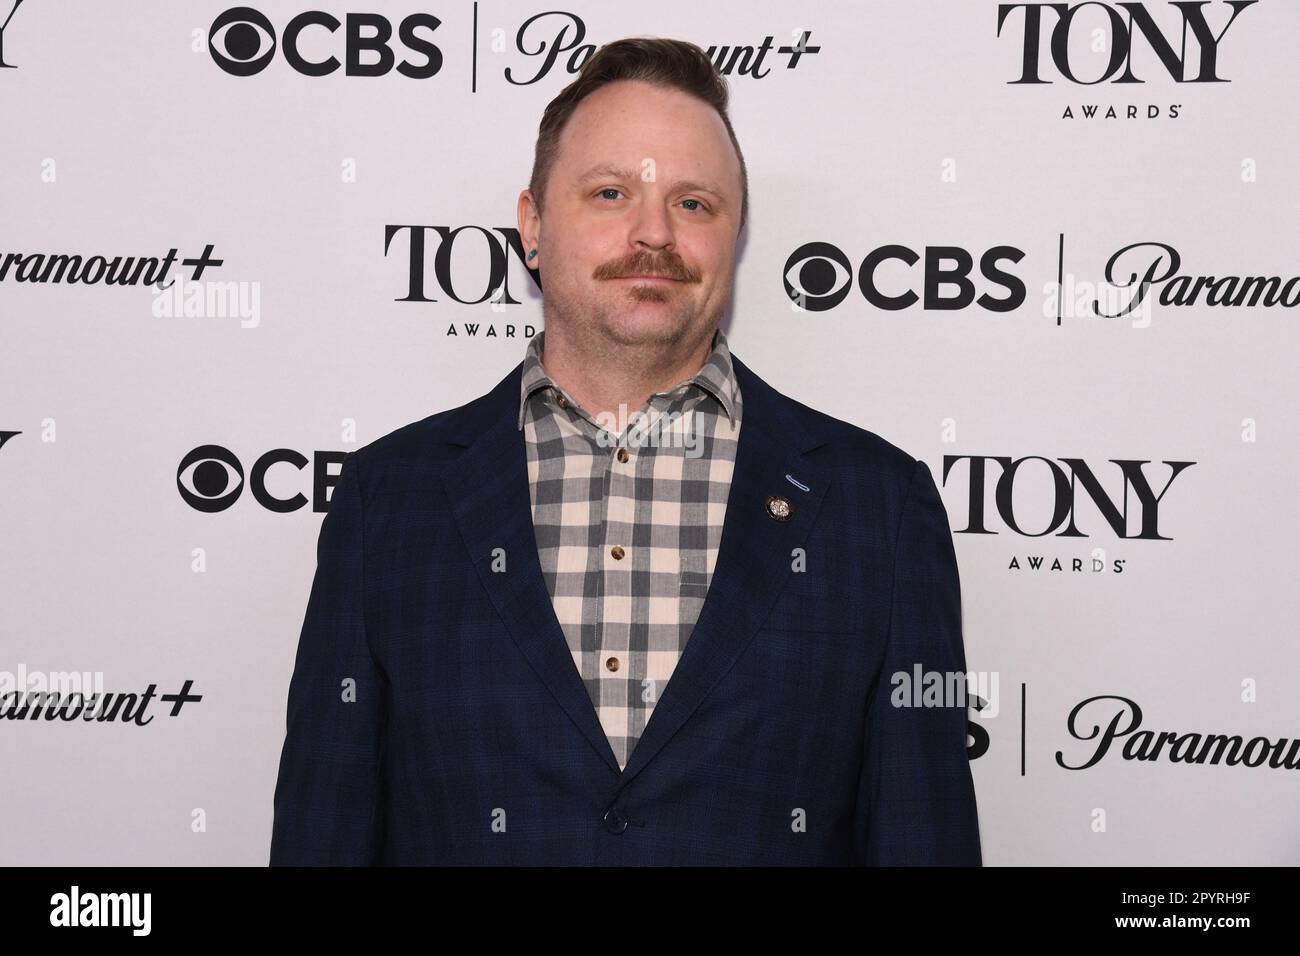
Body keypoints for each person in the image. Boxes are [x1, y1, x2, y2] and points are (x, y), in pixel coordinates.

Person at [270, 37, 981, 866]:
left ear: (736, 236)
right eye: (610, 193)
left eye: (694, 204)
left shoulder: (877, 509)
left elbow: (923, 839)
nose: (653, 234)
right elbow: (324, 834)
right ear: (533, 227)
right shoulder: (388, 500)